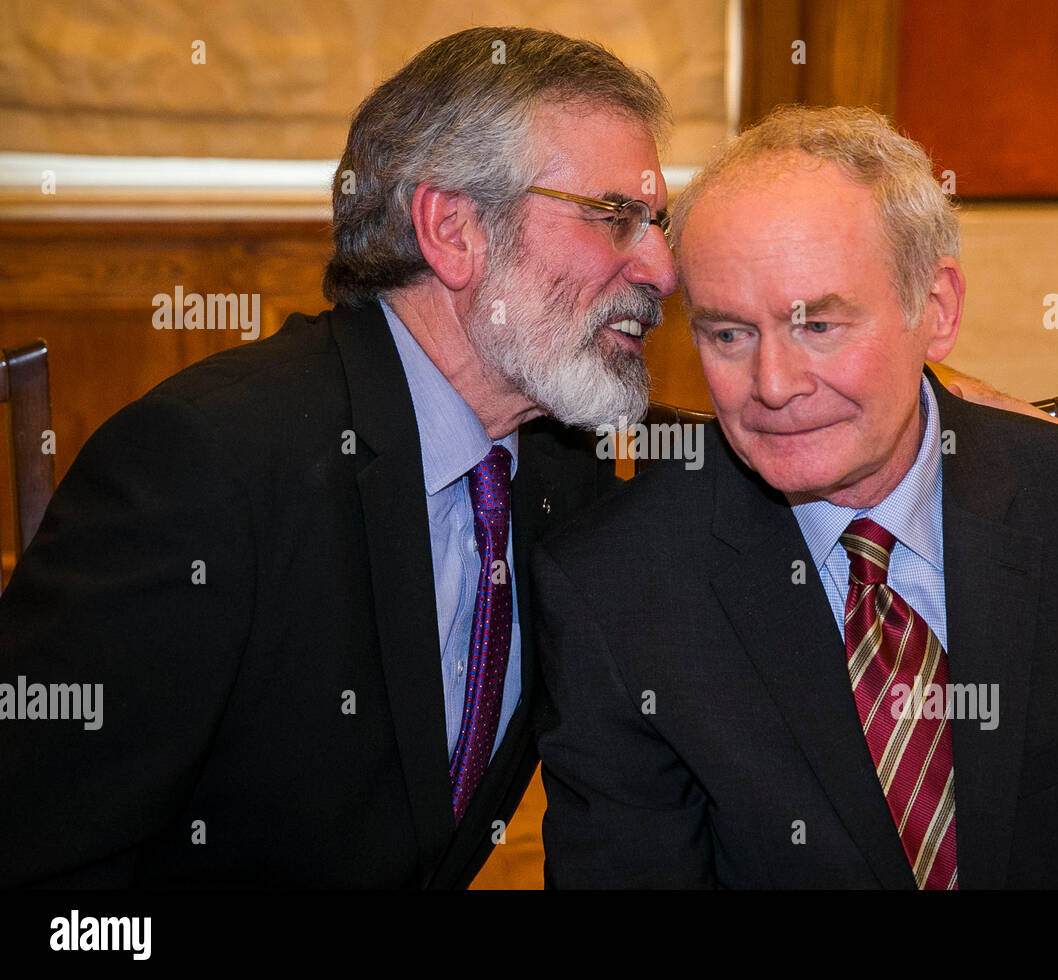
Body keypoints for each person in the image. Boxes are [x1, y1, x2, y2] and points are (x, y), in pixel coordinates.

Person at [0, 26, 673, 888]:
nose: (661, 265)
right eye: (615, 217)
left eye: (656, 223)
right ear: (453, 229)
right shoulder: (204, 466)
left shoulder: (557, 472)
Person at [533, 105, 1058, 888]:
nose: (774, 386)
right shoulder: (618, 589)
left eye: (818, 325)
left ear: (938, 309)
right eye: (728, 334)